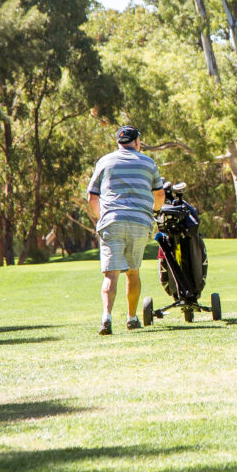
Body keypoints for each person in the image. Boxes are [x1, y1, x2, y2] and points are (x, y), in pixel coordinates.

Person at [85, 125, 165, 334]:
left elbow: (92, 197)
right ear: (137, 142)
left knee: (111, 274)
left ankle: (106, 318)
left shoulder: (105, 161)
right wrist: (153, 211)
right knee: (133, 272)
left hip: (111, 221)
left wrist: (102, 217)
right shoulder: (148, 163)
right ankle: (131, 318)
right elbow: (159, 195)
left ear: (118, 143)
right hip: (139, 222)